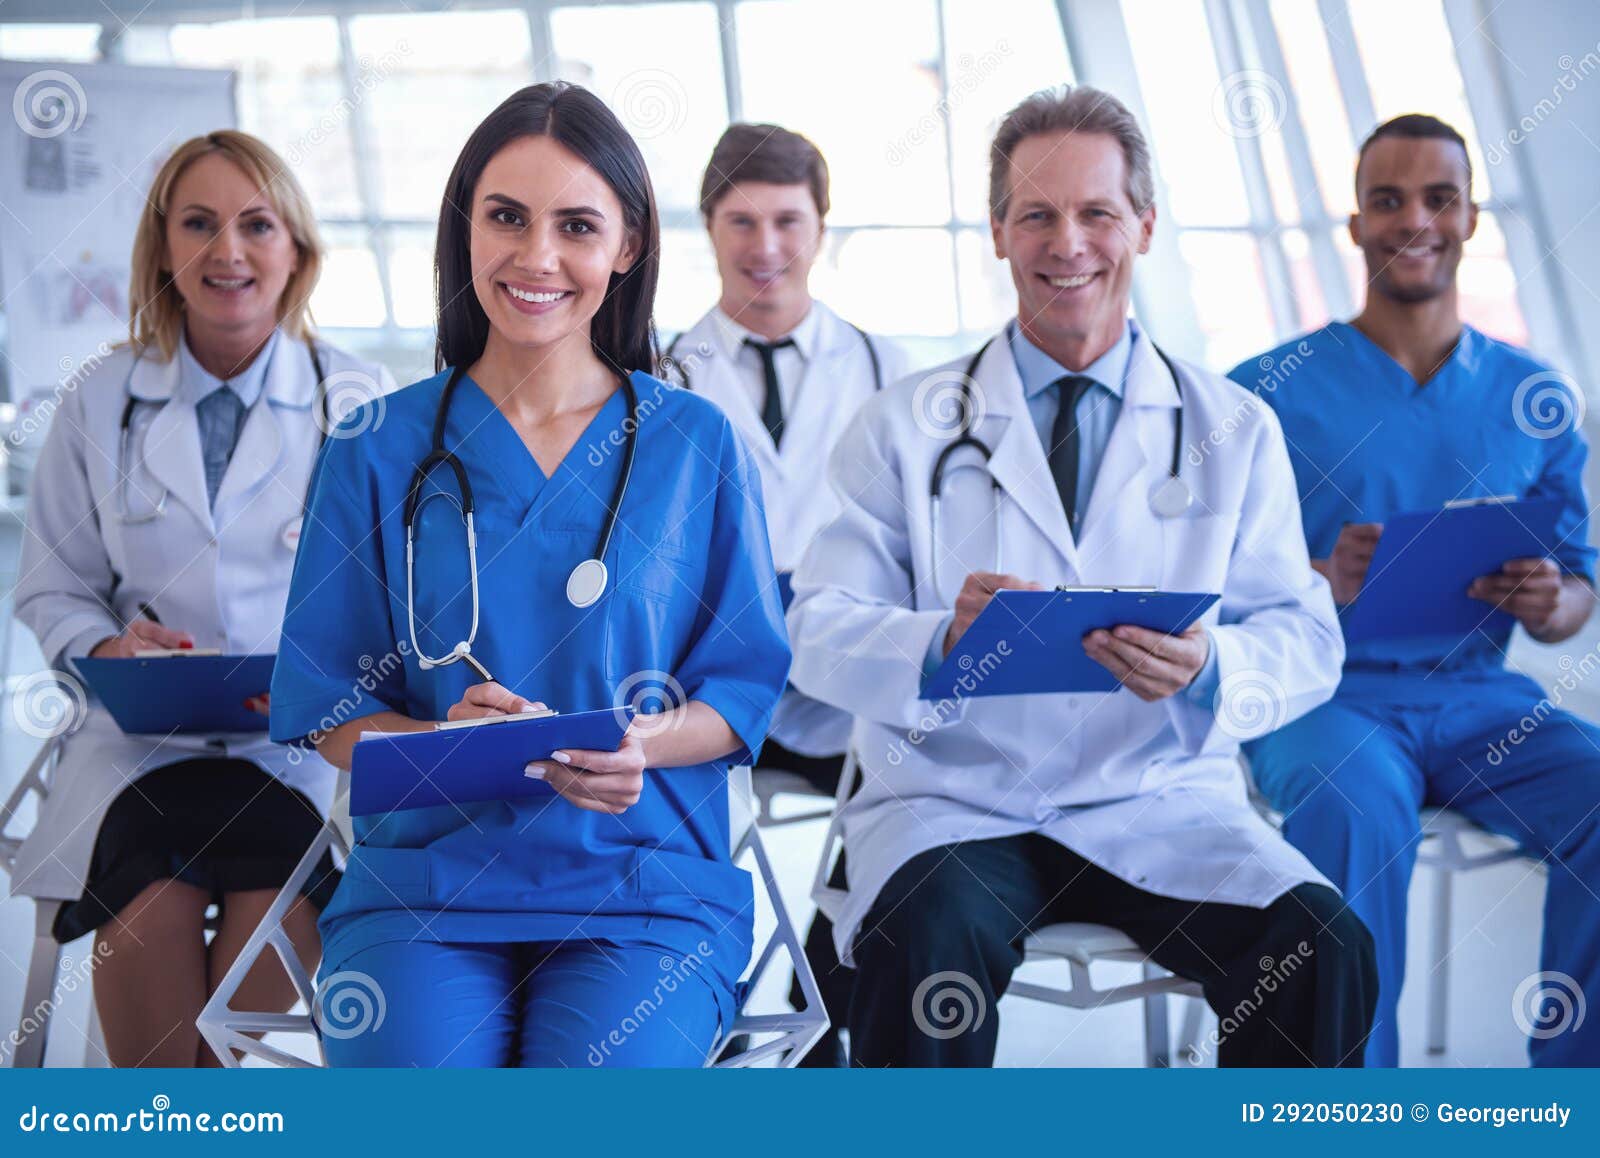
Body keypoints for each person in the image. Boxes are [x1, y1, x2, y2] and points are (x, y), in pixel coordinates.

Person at [787, 85, 1378, 1067]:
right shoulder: (902, 425)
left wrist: (1207, 664)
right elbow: (817, 627)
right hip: (953, 804)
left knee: (1318, 946)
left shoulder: (1231, 429)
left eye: (1096, 212)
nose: (1068, 244)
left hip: (1157, 798)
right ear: (998, 232)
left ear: (1142, 225)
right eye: (1037, 215)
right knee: (925, 946)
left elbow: (1304, 633)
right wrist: (936, 640)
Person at [269, 83, 791, 1068]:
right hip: (425, 890)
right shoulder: (376, 446)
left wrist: (637, 746)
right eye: (506, 217)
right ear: (464, 228)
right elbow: (329, 706)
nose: (537, 256)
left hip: (644, 888)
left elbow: (742, 687)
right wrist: (434, 745)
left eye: (577, 226)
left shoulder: (695, 443)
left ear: (627, 246)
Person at [11, 130, 394, 1066]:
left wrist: (323, 675)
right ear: (164, 246)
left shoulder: (358, 399)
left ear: (296, 248)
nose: (228, 251)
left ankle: (188, 1109)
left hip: (294, 752)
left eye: (255, 224)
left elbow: (395, 608)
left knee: (278, 882)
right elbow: (55, 584)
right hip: (137, 751)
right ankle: (179, 1110)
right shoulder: (100, 398)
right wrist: (108, 654)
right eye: (199, 224)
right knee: (150, 886)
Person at [1232, 113, 1600, 1067]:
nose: (1414, 221)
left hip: (1482, 704)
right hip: (1323, 697)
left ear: (1471, 217)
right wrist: (1317, 579)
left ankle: (1573, 1093)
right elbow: (1202, 583)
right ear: (1354, 225)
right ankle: (1355, 1108)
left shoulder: (1533, 397)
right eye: (1387, 201)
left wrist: (1549, 598)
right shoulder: (1267, 390)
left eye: (1439, 199)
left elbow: (1576, 593)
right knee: (1353, 812)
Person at [664, 122, 912, 1065]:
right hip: (709, 682)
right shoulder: (659, 373)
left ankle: (820, 1005)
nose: (764, 248)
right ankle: (701, 1007)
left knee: (911, 781)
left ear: (821, 226)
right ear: (709, 227)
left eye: (786, 220)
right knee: (683, 814)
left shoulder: (892, 374)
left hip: (842, 685)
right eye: (741, 221)